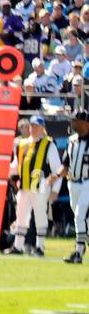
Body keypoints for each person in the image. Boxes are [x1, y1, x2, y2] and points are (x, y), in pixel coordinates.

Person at [5, 115, 60, 257]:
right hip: (24, 186)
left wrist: (55, 190)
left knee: (40, 216)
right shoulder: (22, 143)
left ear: (42, 128)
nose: (34, 129)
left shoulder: (48, 144)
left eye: (37, 126)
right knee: (21, 215)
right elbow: (17, 163)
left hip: (40, 185)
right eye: (32, 126)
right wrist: (9, 172)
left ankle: (40, 247)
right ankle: (18, 246)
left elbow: (57, 169)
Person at [58, 109, 89, 263]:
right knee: (84, 219)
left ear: (85, 123)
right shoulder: (72, 140)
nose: (73, 123)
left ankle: (78, 251)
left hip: (87, 182)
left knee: (79, 216)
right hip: (73, 183)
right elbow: (65, 164)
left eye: (76, 121)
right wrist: (55, 176)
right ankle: (83, 244)